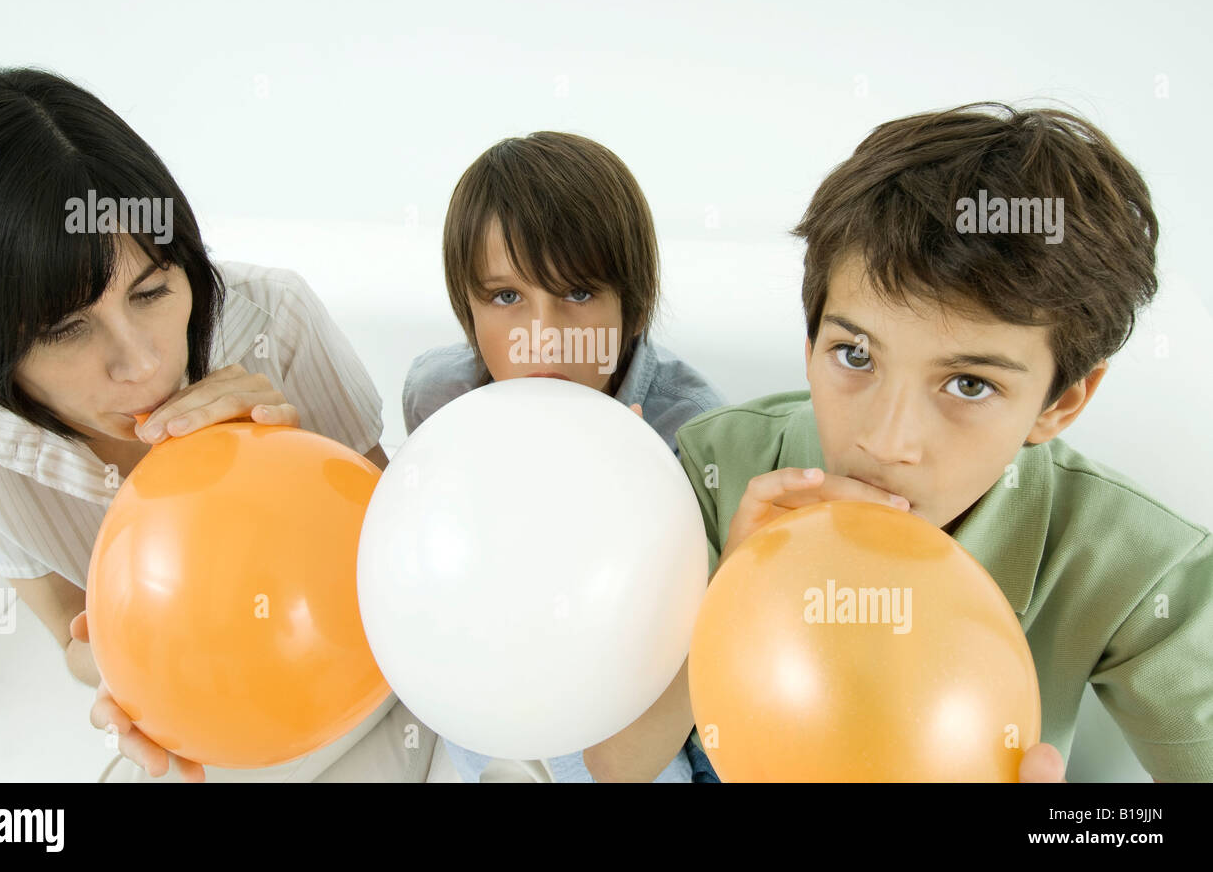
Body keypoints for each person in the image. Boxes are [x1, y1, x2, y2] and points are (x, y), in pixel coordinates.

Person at [611, 102, 1213, 782]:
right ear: (808, 347)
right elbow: (613, 766)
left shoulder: (1144, 569)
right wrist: (728, 600)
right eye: (855, 354)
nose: (887, 440)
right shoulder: (716, 470)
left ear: (1061, 401)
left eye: (969, 385)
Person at [0, 65, 434, 782]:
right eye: (67, 330)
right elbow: (73, 629)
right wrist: (130, 671)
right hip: (203, 733)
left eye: (152, 289)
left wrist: (280, 445)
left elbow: (408, 570)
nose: (143, 360)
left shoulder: (273, 322)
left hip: (370, 682)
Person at [403, 130, 727, 782]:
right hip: (486, 674)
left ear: (633, 308)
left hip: (635, 696)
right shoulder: (440, 397)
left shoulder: (692, 432)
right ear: (468, 310)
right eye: (505, 297)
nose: (540, 341)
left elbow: (697, 653)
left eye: (578, 295)